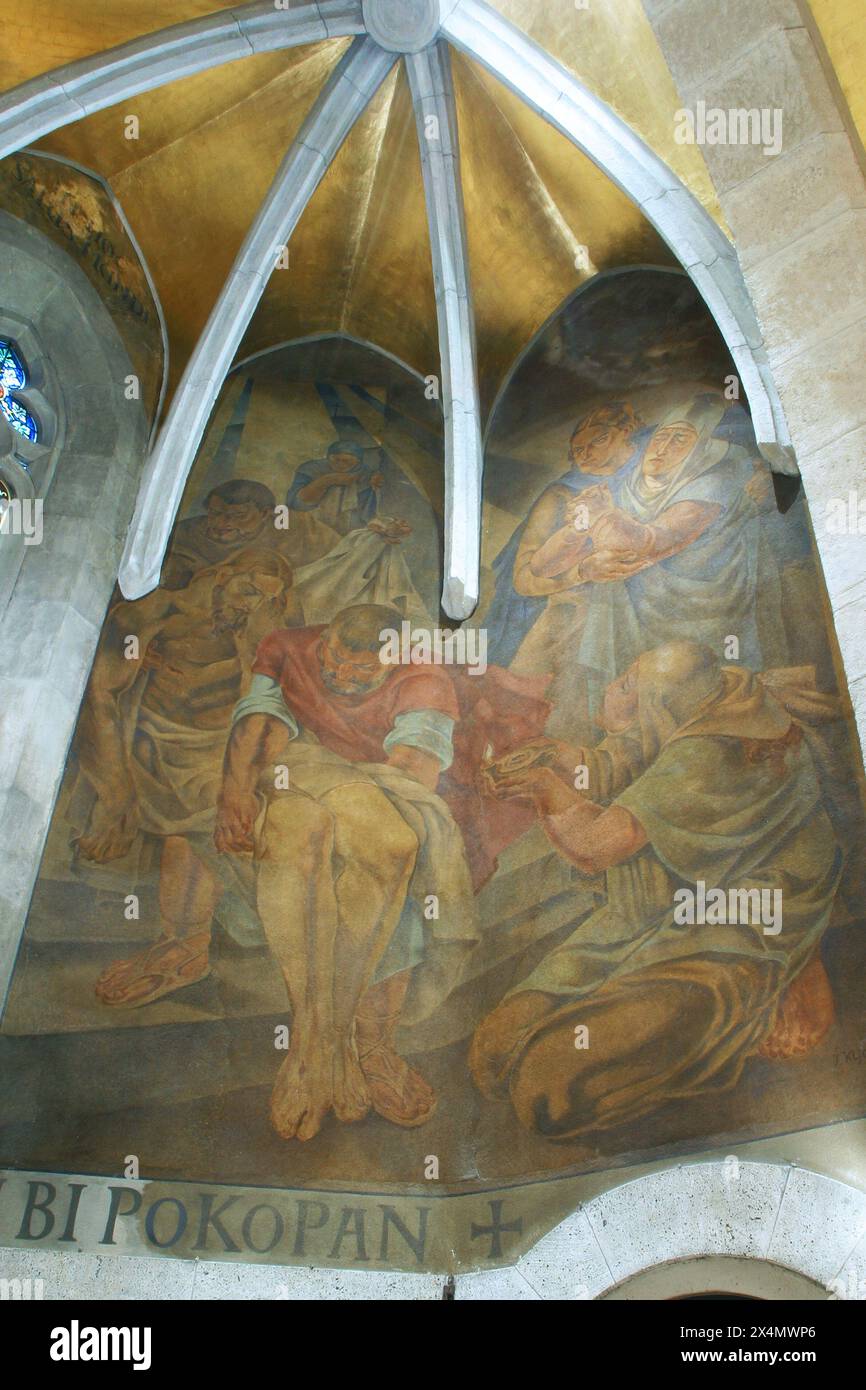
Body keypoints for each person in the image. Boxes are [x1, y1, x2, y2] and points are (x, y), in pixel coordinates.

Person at [470, 641, 842, 1140]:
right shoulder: (722, 690)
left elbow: (596, 846)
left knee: (544, 1091)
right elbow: (631, 757)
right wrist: (558, 756)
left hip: (730, 925)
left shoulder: (710, 753)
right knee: (491, 1055)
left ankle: (760, 1004)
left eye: (630, 686)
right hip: (652, 904)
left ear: (660, 708)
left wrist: (543, 788)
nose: (617, 687)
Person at [214, 604, 478, 1141]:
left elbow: (411, 773)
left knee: (395, 841)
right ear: (326, 637)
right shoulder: (287, 644)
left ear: (393, 658)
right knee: (299, 830)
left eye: (364, 671)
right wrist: (236, 788)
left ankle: (324, 1042)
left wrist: (349, 801)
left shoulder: (425, 677)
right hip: (293, 766)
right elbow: (261, 724)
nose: (343, 676)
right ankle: (317, 1049)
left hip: (372, 781)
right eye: (336, 658)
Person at [485, 402, 647, 669]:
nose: (586, 454)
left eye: (598, 441)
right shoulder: (560, 495)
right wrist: (581, 572)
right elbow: (523, 578)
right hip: (555, 610)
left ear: (626, 431)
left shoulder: (651, 469)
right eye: (578, 450)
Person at [285, 439, 384, 536]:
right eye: (336, 460)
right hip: (311, 526)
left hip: (347, 529)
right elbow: (295, 505)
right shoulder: (311, 469)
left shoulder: (364, 473)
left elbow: (366, 508)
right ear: (328, 457)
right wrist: (325, 481)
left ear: (357, 462)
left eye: (347, 461)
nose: (341, 464)